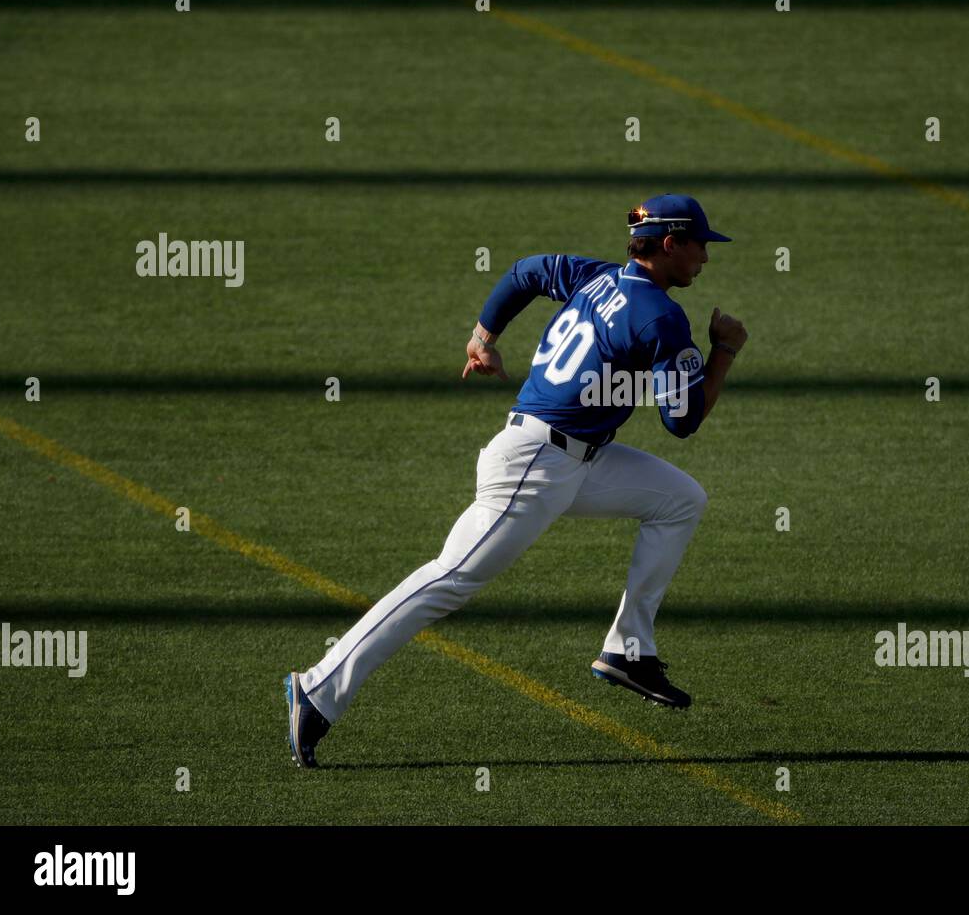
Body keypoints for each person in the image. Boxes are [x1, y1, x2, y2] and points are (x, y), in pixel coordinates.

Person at [284, 194, 748, 768]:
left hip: (575, 459)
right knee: (448, 580)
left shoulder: (597, 276)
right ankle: (319, 687)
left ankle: (628, 650)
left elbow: (526, 271)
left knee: (681, 499)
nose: (707, 256)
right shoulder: (660, 316)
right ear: (671, 244)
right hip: (535, 466)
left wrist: (484, 334)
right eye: (701, 244)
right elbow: (681, 422)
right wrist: (723, 351)